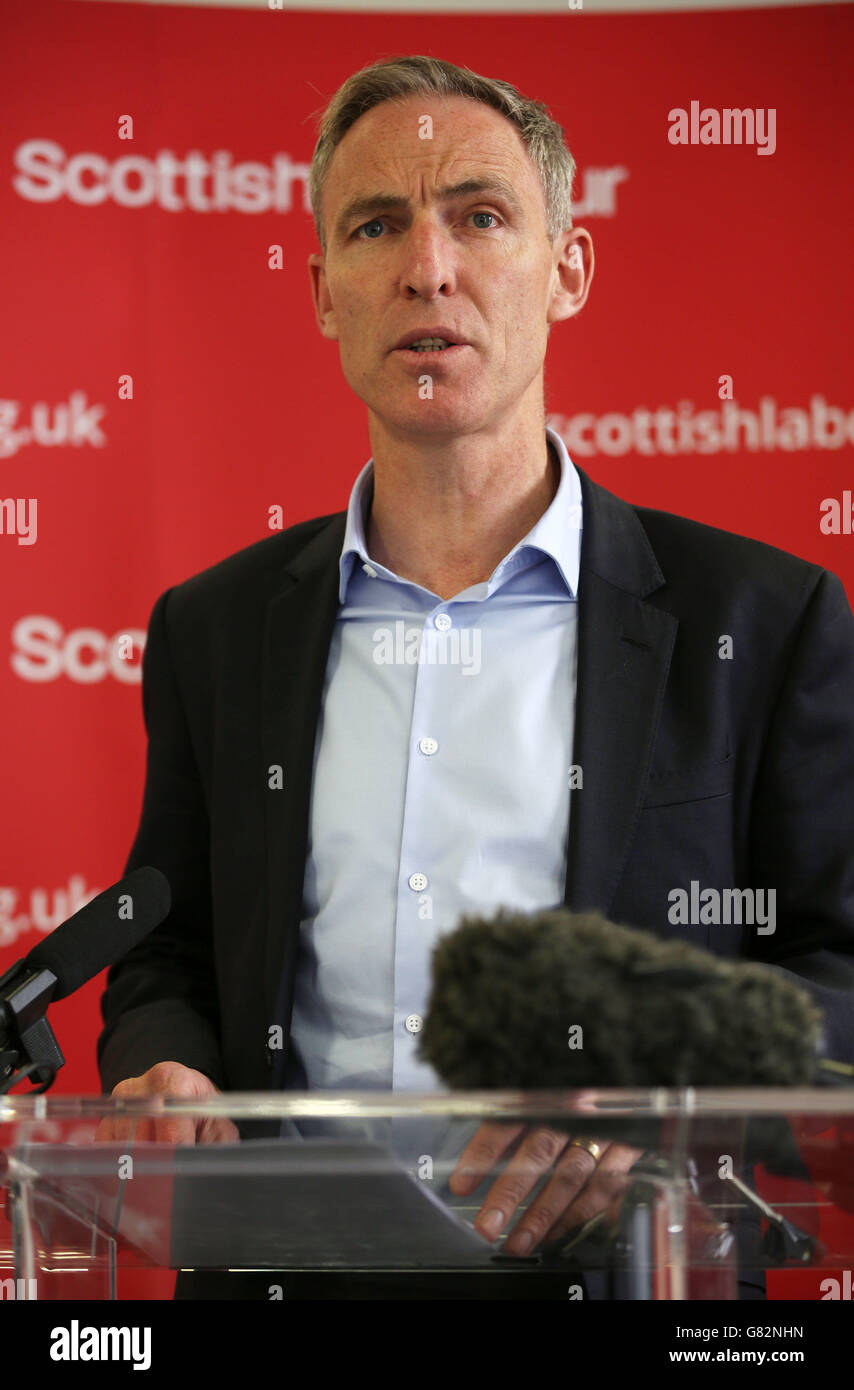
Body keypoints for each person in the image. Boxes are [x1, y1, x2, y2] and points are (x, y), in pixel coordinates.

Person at [97, 55, 854, 1300]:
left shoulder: (761, 621)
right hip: (281, 1281)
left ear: (569, 269)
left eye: (480, 216)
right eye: (375, 224)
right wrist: (170, 1067)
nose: (426, 267)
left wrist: (657, 1098)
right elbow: (166, 952)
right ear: (324, 293)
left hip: (621, 1284)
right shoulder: (214, 631)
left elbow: (836, 974)